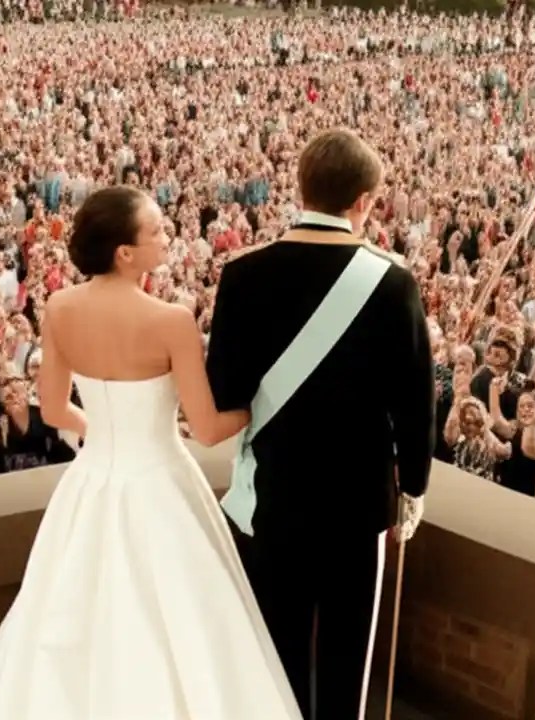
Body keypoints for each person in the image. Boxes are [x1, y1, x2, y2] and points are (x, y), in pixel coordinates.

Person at [0, 186, 302, 719]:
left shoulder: (60, 307)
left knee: (68, 621)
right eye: (156, 229)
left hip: (90, 483)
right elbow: (206, 429)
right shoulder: (171, 320)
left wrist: (106, 431)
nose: (167, 235)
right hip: (162, 484)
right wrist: (261, 404)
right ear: (124, 252)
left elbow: (55, 408)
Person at [207, 129, 435, 720]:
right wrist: (412, 484)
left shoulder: (243, 274)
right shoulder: (394, 281)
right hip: (357, 505)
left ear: (300, 188)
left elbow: (225, 393)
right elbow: (415, 401)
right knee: (345, 659)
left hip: (274, 499)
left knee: (275, 653)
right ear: (364, 201)